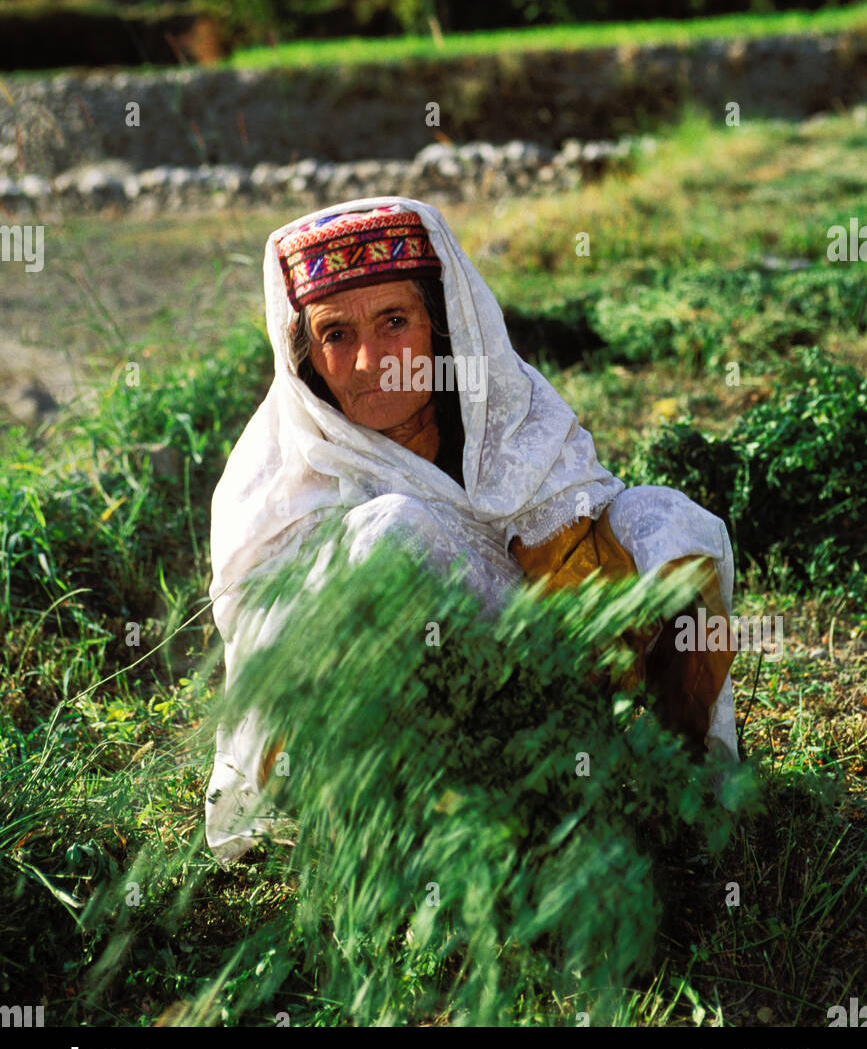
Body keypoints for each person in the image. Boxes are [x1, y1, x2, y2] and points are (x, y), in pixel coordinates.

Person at [205, 197, 739, 863]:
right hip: (392, 737)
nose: (370, 359)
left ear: (443, 325)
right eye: (336, 334)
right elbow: (275, 655)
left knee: (671, 522)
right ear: (307, 355)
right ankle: (434, 838)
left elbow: (586, 556)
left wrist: (576, 668)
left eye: (394, 321)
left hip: (551, 685)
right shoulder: (285, 477)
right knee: (391, 532)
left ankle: (684, 796)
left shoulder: (510, 413)